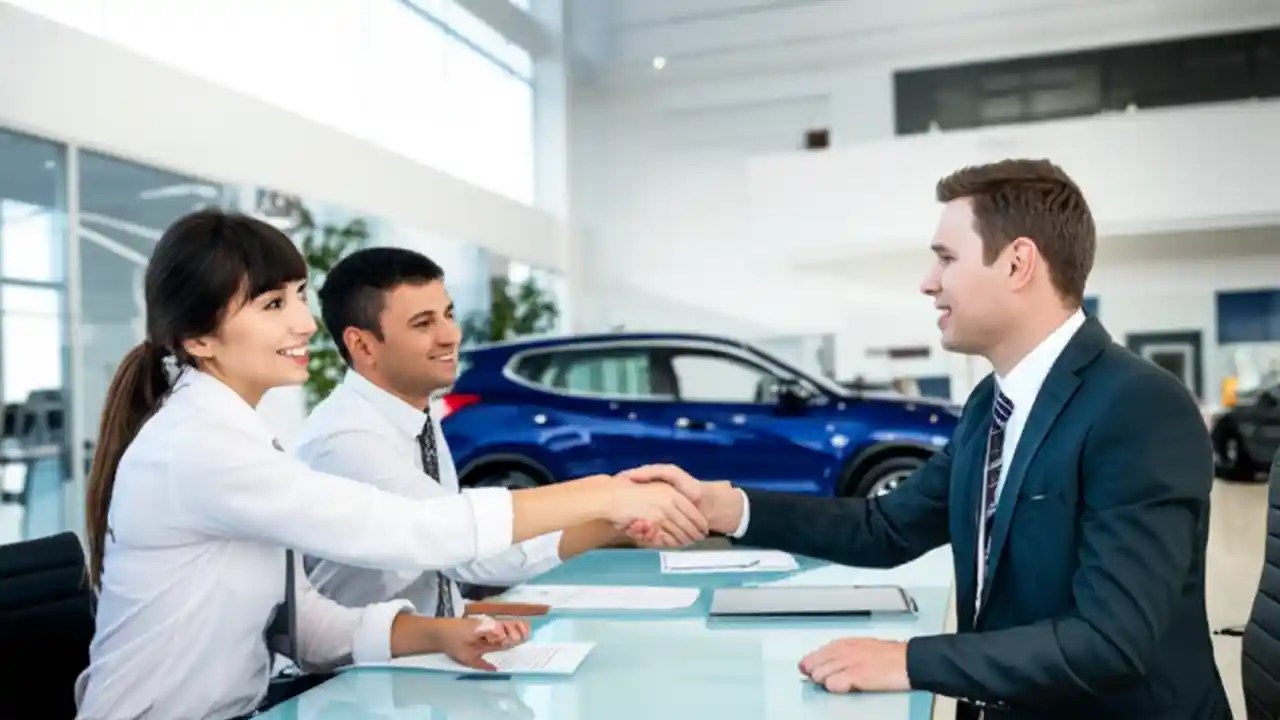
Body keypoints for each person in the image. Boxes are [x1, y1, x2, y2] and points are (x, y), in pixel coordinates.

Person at [626, 159, 1231, 719]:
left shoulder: (1138, 406)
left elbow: (1110, 639)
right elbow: (887, 527)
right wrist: (726, 507)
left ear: (1018, 263)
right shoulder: (990, 405)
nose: (927, 282)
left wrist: (909, 661)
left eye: (946, 258)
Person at [76, 210, 708, 720]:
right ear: (199, 340)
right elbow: (411, 529)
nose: (302, 322)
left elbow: (306, 627)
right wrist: (600, 495)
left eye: (297, 296)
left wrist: (442, 634)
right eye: (272, 305)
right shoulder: (199, 448)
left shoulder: (235, 436)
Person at [295, 247, 639, 613]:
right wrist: (607, 499)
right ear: (362, 345)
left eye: (448, 315)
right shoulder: (347, 440)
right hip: (356, 663)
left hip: (420, 647)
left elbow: (445, 563)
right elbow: (460, 545)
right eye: (424, 324)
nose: (451, 336)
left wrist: (620, 524)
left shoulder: (415, 417)